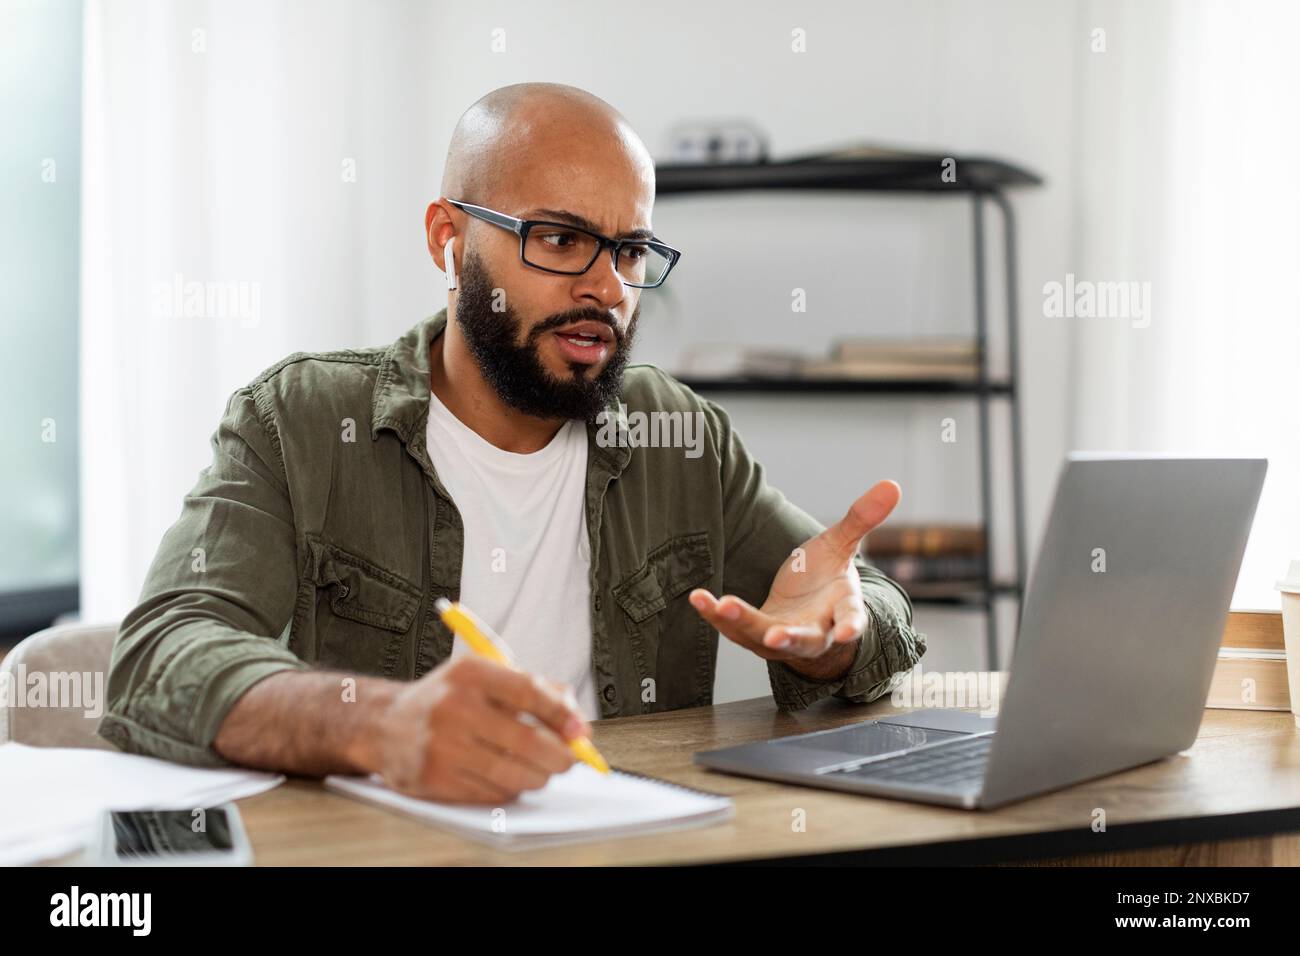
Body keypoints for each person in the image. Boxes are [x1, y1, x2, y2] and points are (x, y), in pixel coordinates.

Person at [99, 82, 926, 805]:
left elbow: (846, 597)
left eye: (630, 250)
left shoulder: (680, 437)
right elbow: (161, 657)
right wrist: (379, 725)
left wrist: (835, 639)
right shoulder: (302, 421)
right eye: (560, 241)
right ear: (446, 240)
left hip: (629, 843)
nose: (606, 288)